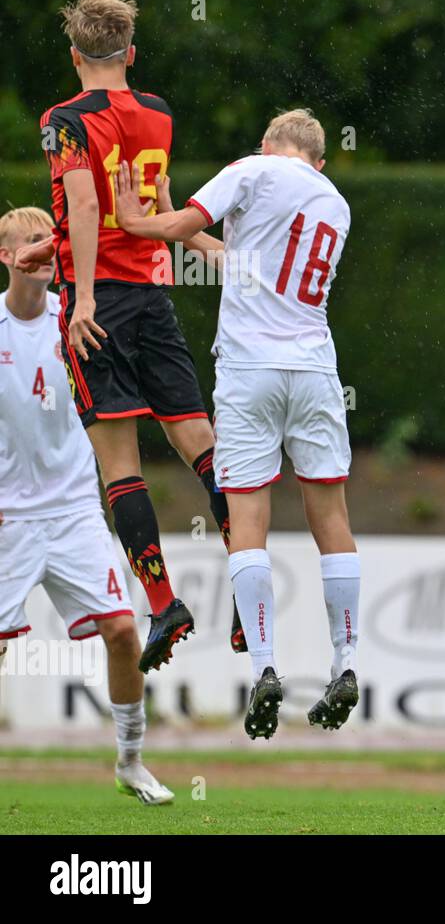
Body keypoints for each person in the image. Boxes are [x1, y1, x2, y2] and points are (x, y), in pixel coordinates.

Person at [113, 109, 360, 741]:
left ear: (266, 145)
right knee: (331, 520)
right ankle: (345, 662)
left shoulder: (252, 169)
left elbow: (184, 222)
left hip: (250, 370)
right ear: (320, 160)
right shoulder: (334, 202)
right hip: (315, 370)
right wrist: (180, 230)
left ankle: (266, 667)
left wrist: (145, 220)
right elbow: (247, 264)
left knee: (248, 524)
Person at [37, 0, 235, 672]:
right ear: (130, 52)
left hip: (101, 305)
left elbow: (87, 202)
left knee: (119, 465)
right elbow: (157, 207)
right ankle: (250, 578)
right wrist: (213, 252)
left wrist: (82, 293)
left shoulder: (64, 120)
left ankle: (164, 603)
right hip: (154, 297)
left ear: (74, 56)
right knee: (203, 447)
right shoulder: (157, 114)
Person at [0, 206, 172, 804]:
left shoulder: (78, 316)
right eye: (31, 243)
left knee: (124, 631)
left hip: (75, 508)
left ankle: (130, 760)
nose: (47, 250)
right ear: (6, 256)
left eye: (53, 238)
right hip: (9, 516)